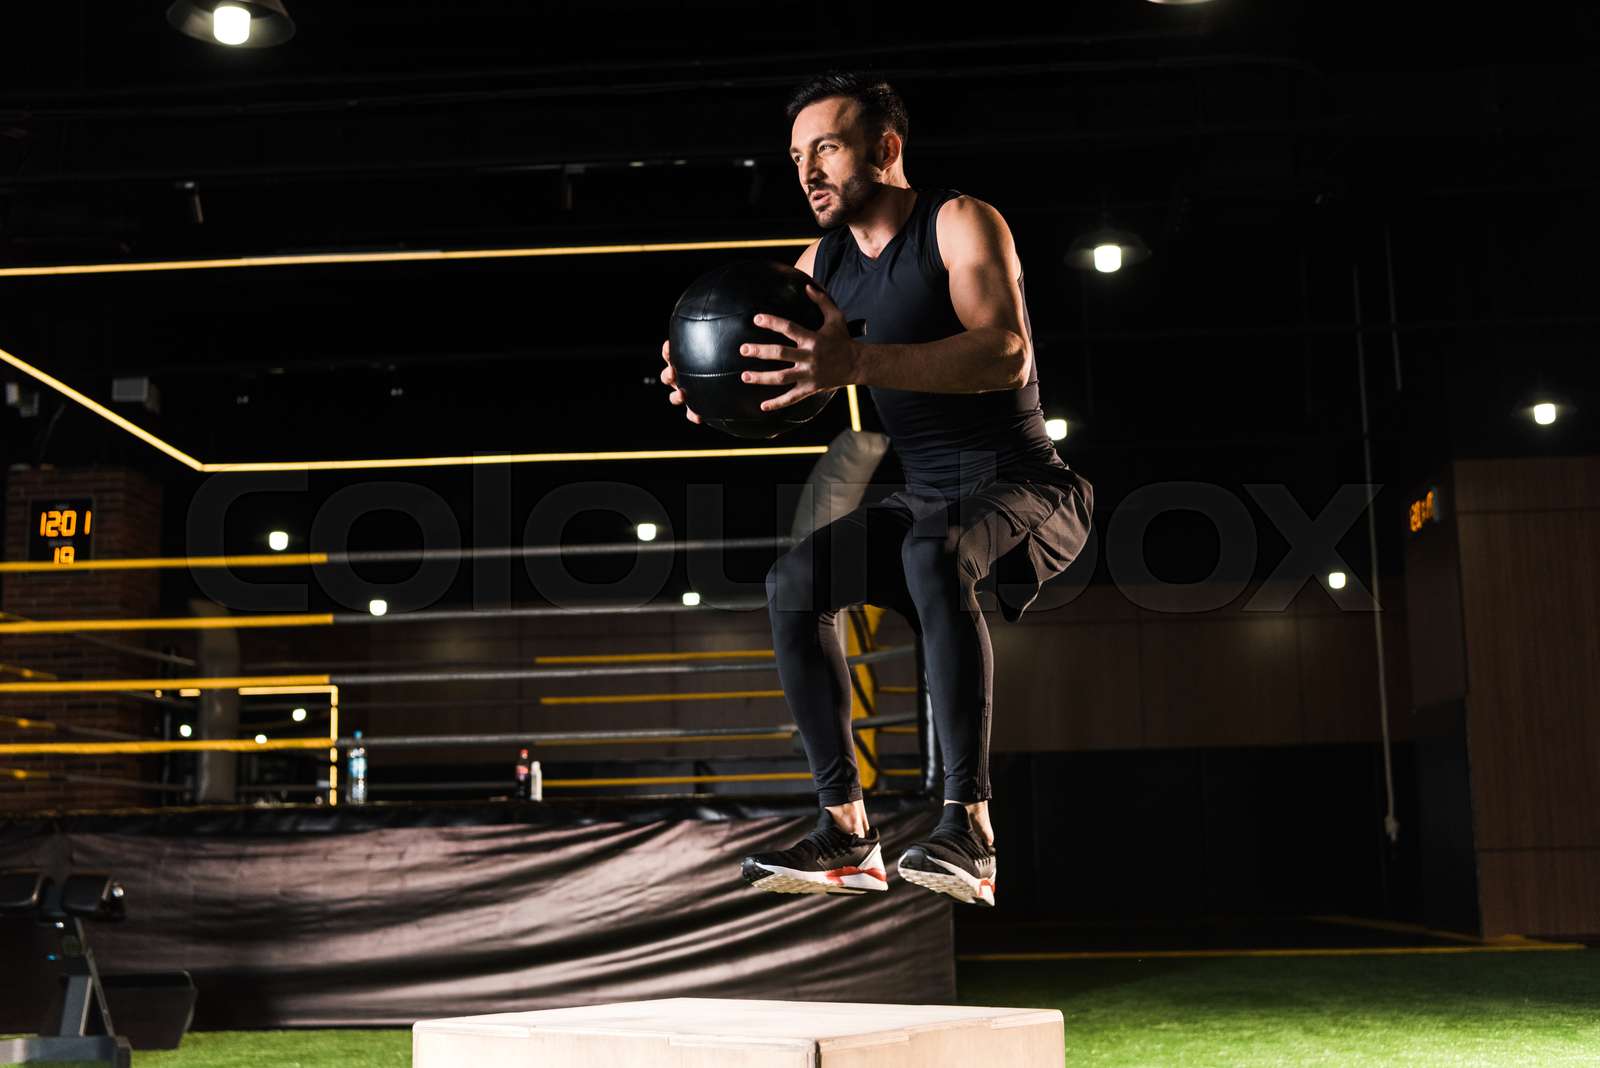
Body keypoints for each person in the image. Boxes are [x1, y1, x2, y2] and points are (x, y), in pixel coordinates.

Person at [659, 70, 1093, 907]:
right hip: (929, 494)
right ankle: (848, 833)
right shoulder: (818, 264)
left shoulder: (959, 221)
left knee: (934, 550)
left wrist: (854, 360)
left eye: (826, 147)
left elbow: (1006, 352)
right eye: (796, 157)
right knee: (793, 583)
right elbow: (791, 375)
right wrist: (712, 385)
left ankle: (970, 825)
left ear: (886, 149)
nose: (808, 172)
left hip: (1026, 484)